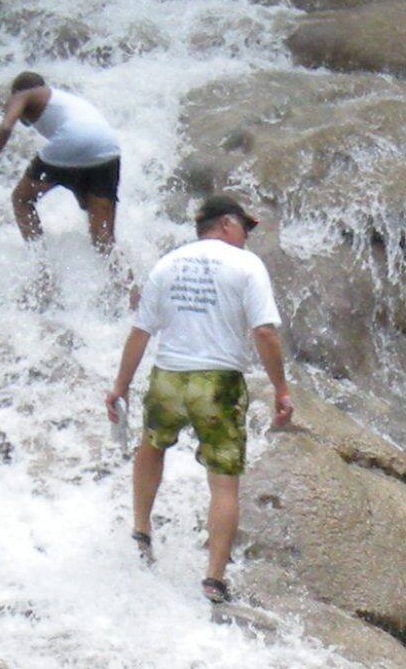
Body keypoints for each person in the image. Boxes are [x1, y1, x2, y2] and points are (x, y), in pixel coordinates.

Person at [101, 195, 291, 604]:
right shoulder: (246, 266)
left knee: (151, 448)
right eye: (245, 227)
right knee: (224, 483)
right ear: (225, 224)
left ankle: (141, 531)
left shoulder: (168, 264)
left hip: (169, 375)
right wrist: (281, 389)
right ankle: (214, 580)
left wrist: (120, 386)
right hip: (218, 382)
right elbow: (264, 333)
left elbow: (141, 332)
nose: (247, 237)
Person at [0, 73, 123, 253]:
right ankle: (126, 281)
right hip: (109, 147)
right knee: (103, 238)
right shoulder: (64, 100)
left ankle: (42, 271)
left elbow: (6, 127)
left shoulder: (22, 95)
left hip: (72, 139)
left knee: (21, 199)